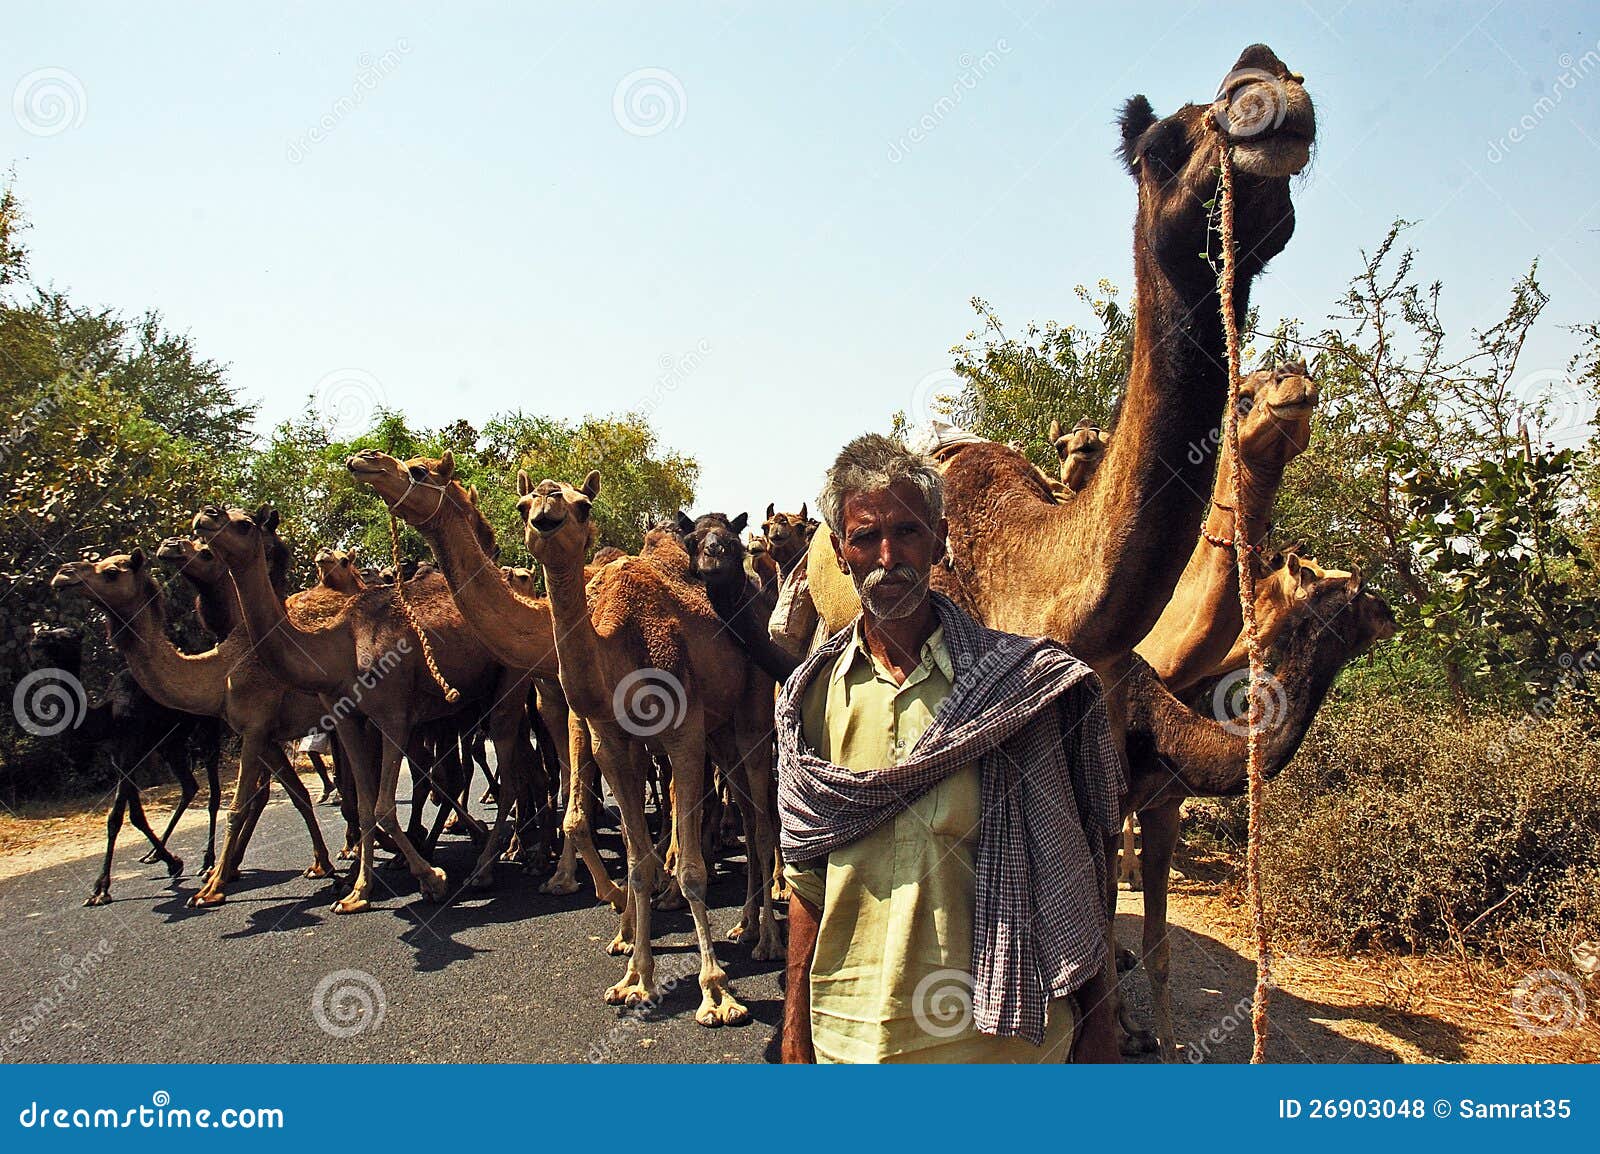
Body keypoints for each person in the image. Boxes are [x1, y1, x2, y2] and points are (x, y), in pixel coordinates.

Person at [777, 433, 1124, 1063]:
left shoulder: (1017, 690)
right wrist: (794, 1031)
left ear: (941, 540)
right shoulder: (813, 698)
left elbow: (1067, 866)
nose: (888, 556)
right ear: (838, 552)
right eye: (864, 538)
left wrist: (1101, 1032)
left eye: (907, 533)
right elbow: (805, 876)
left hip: (999, 1043)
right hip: (851, 1037)